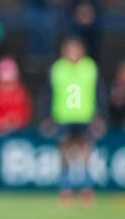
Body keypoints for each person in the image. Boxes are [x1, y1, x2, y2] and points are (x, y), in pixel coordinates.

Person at [41, 36, 104, 207]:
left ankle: (86, 187)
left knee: (85, 149)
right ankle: (65, 187)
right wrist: (46, 116)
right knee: (64, 149)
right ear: (63, 51)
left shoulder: (90, 68)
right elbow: (48, 93)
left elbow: (100, 93)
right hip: (63, 116)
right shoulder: (57, 69)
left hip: (84, 115)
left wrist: (101, 116)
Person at [0, 57, 32, 135]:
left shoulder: (20, 93)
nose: (7, 87)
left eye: (10, 82)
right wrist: (2, 122)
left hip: (17, 135)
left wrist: (15, 121)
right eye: (4, 83)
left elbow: (25, 115)